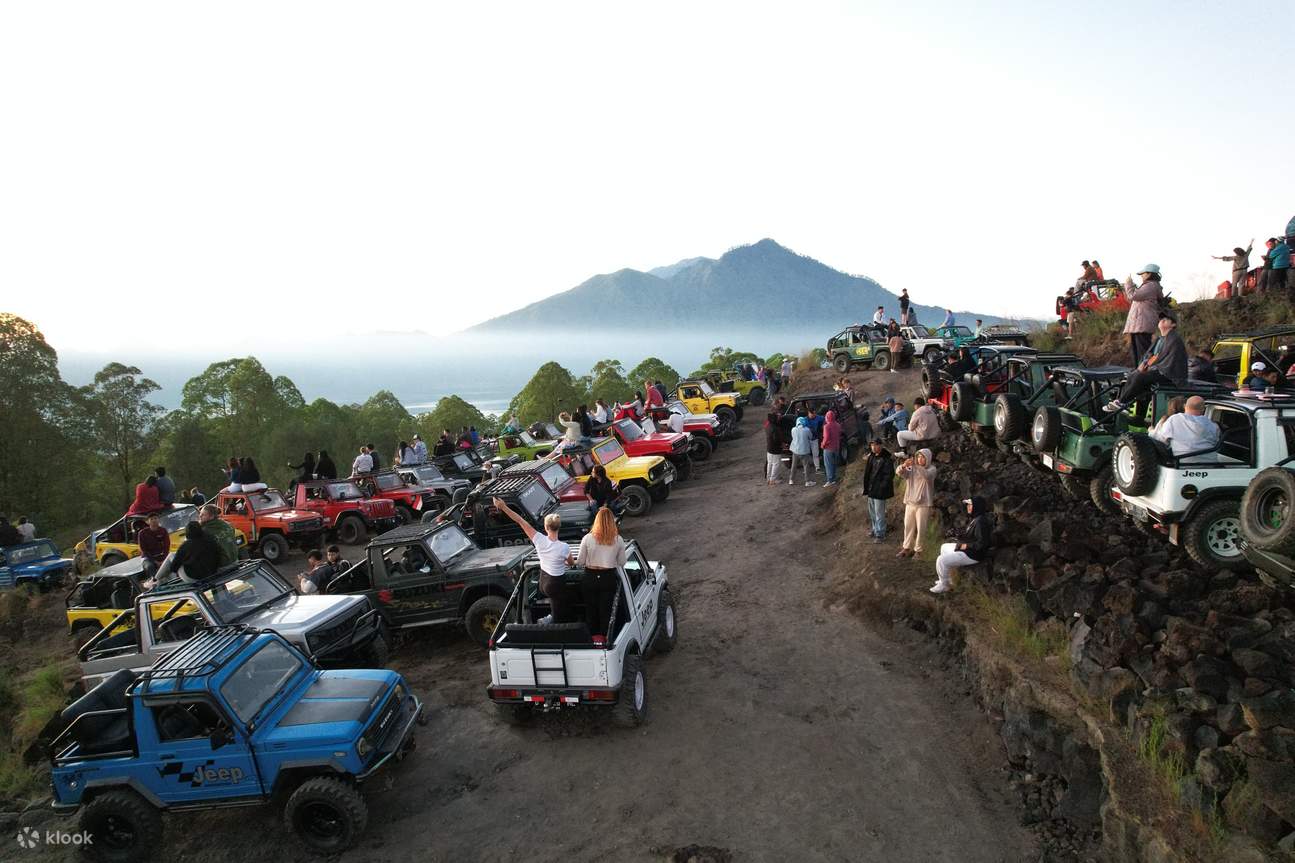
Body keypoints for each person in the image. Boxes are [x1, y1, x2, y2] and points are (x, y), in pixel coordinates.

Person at [492, 497, 575, 624]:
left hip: (543, 583)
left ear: (546, 527)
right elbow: (571, 563)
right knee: (561, 613)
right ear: (559, 527)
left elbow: (520, 520)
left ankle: (550, 618)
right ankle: (553, 621)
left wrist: (503, 507)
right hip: (555, 584)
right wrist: (565, 562)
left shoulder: (539, 539)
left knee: (556, 605)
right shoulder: (564, 547)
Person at [1105, 315, 1188, 413]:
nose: (1162, 321)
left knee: (1140, 376)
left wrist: (1150, 368)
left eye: (1166, 319)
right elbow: (1149, 355)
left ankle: (1122, 402)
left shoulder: (1174, 339)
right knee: (1132, 374)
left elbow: (1170, 361)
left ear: (1173, 324)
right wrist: (1144, 364)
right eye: (1161, 319)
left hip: (1169, 373)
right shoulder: (1159, 339)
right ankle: (1120, 402)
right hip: (1156, 369)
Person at [576, 507, 627, 637]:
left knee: (590, 610)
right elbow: (622, 562)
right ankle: (606, 638)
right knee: (606, 611)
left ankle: (591, 639)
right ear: (612, 521)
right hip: (608, 578)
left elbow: (580, 561)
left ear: (596, 521)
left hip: (590, 577)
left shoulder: (587, 538)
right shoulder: (618, 540)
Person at [931, 497, 994, 594]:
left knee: (941, 560)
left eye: (970, 505)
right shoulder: (976, 518)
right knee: (944, 547)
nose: (968, 507)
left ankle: (944, 586)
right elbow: (970, 535)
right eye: (968, 505)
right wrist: (958, 535)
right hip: (969, 550)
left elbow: (983, 543)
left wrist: (966, 546)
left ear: (977, 506)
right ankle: (948, 580)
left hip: (973, 554)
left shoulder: (981, 522)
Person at [896, 449, 936, 558]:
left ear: (928, 458)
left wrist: (916, 466)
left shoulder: (932, 469)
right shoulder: (912, 468)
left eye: (923, 457)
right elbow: (899, 473)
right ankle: (906, 548)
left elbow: (926, 476)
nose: (920, 459)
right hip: (910, 502)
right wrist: (904, 466)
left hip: (924, 504)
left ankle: (919, 550)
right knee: (908, 526)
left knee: (921, 528)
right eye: (918, 457)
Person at [1122, 265, 1164, 367]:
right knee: (1138, 353)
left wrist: (1128, 283)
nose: (1141, 276)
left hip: (1142, 325)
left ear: (1149, 274)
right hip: (1139, 325)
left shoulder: (1150, 286)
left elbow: (1133, 295)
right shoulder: (1152, 285)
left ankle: (1144, 372)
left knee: (1142, 353)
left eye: (1143, 274)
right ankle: (1139, 372)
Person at [1152, 396, 1220, 456]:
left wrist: (1151, 431)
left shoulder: (1174, 419)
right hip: (1210, 462)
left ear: (1185, 406)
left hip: (1182, 462)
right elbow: (1216, 443)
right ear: (1203, 409)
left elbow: (1159, 439)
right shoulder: (1213, 425)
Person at [862, 439, 895, 543]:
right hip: (871, 488)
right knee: (872, 512)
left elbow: (889, 475)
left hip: (880, 490)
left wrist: (882, 486)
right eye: (872, 445)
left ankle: (880, 534)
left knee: (879, 513)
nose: (873, 447)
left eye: (875, 445)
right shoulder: (871, 457)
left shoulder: (886, 458)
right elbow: (868, 473)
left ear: (880, 445)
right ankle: (875, 529)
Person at [787, 416, 816, 487]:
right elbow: (811, 437)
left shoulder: (793, 429)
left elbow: (793, 437)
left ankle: (791, 480)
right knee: (806, 466)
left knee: (794, 466)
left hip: (795, 450)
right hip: (804, 451)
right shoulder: (807, 430)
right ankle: (807, 481)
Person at [821, 410, 843, 487]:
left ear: (827, 417)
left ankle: (830, 480)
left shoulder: (826, 426)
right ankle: (834, 478)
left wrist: (823, 444)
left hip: (828, 448)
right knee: (834, 464)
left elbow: (826, 438)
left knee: (828, 464)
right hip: (836, 447)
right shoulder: (838, 425)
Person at [764, 410, 785, 485]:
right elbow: (776, 439)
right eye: (777, 417)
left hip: (769, 448)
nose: (778, 418)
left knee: (770, 463)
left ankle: (768, 478)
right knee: (776, 464)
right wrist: (782, 444)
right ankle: (773, 480)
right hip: (775, 449)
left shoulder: (768, 425)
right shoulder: (775, 428)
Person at [805, 406, 824, 472]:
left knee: (815, 453)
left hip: (815, 439)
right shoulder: (804, 420)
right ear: (809, 413)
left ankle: (817, 467)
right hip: (807, 440)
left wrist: (823, 425)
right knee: (806, 454)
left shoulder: (818, 417)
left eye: (815, 413)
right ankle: (806, 468)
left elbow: (825, 418)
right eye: (812, 414)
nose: (814, 415)